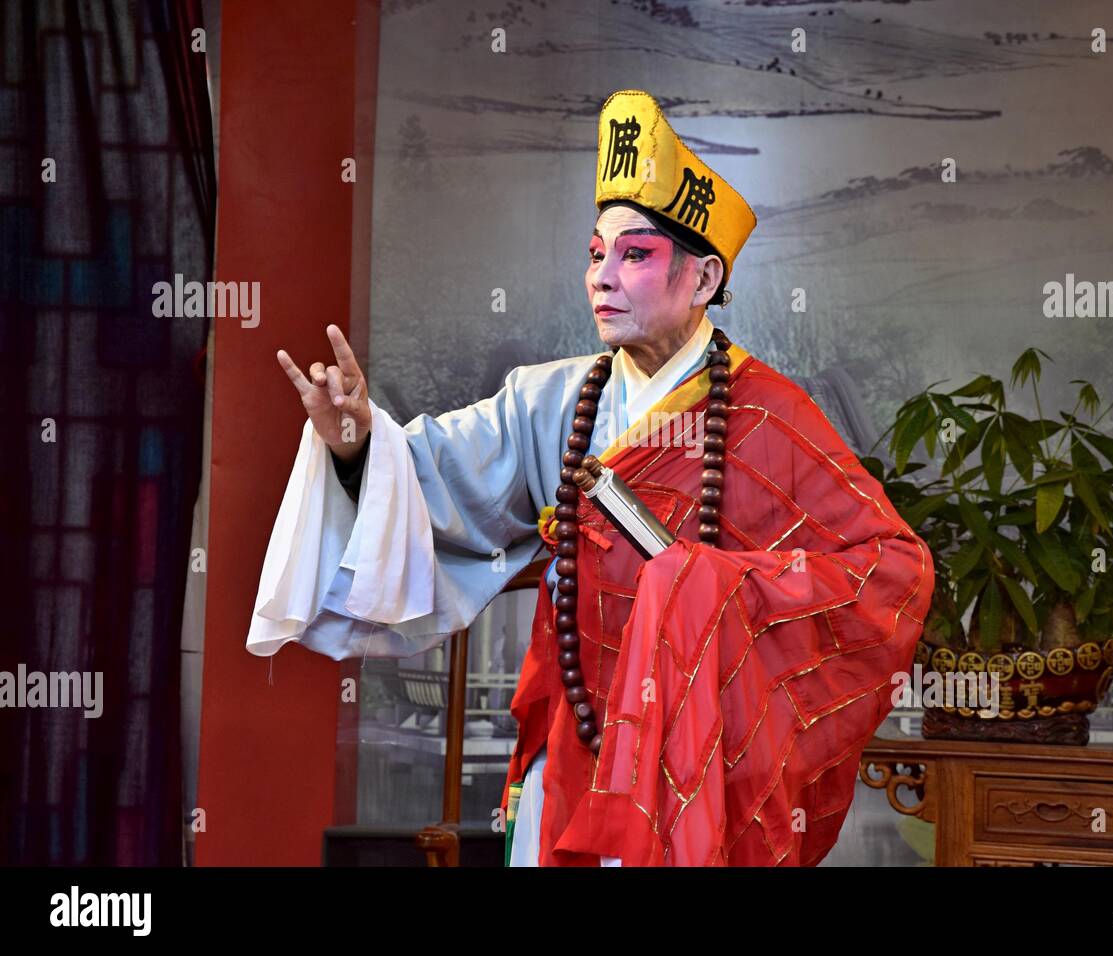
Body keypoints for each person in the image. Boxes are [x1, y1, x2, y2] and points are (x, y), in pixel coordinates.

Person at [250, 89, 934, 866]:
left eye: (635, 255)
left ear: (703, 278)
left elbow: (892, 572)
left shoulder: (771, 417)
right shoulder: (556, 400)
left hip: (693, 775)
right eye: (595, 253)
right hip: (571, 756)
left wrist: (713, 586)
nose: (603, 276)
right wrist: (359, 445)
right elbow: (434, 474)